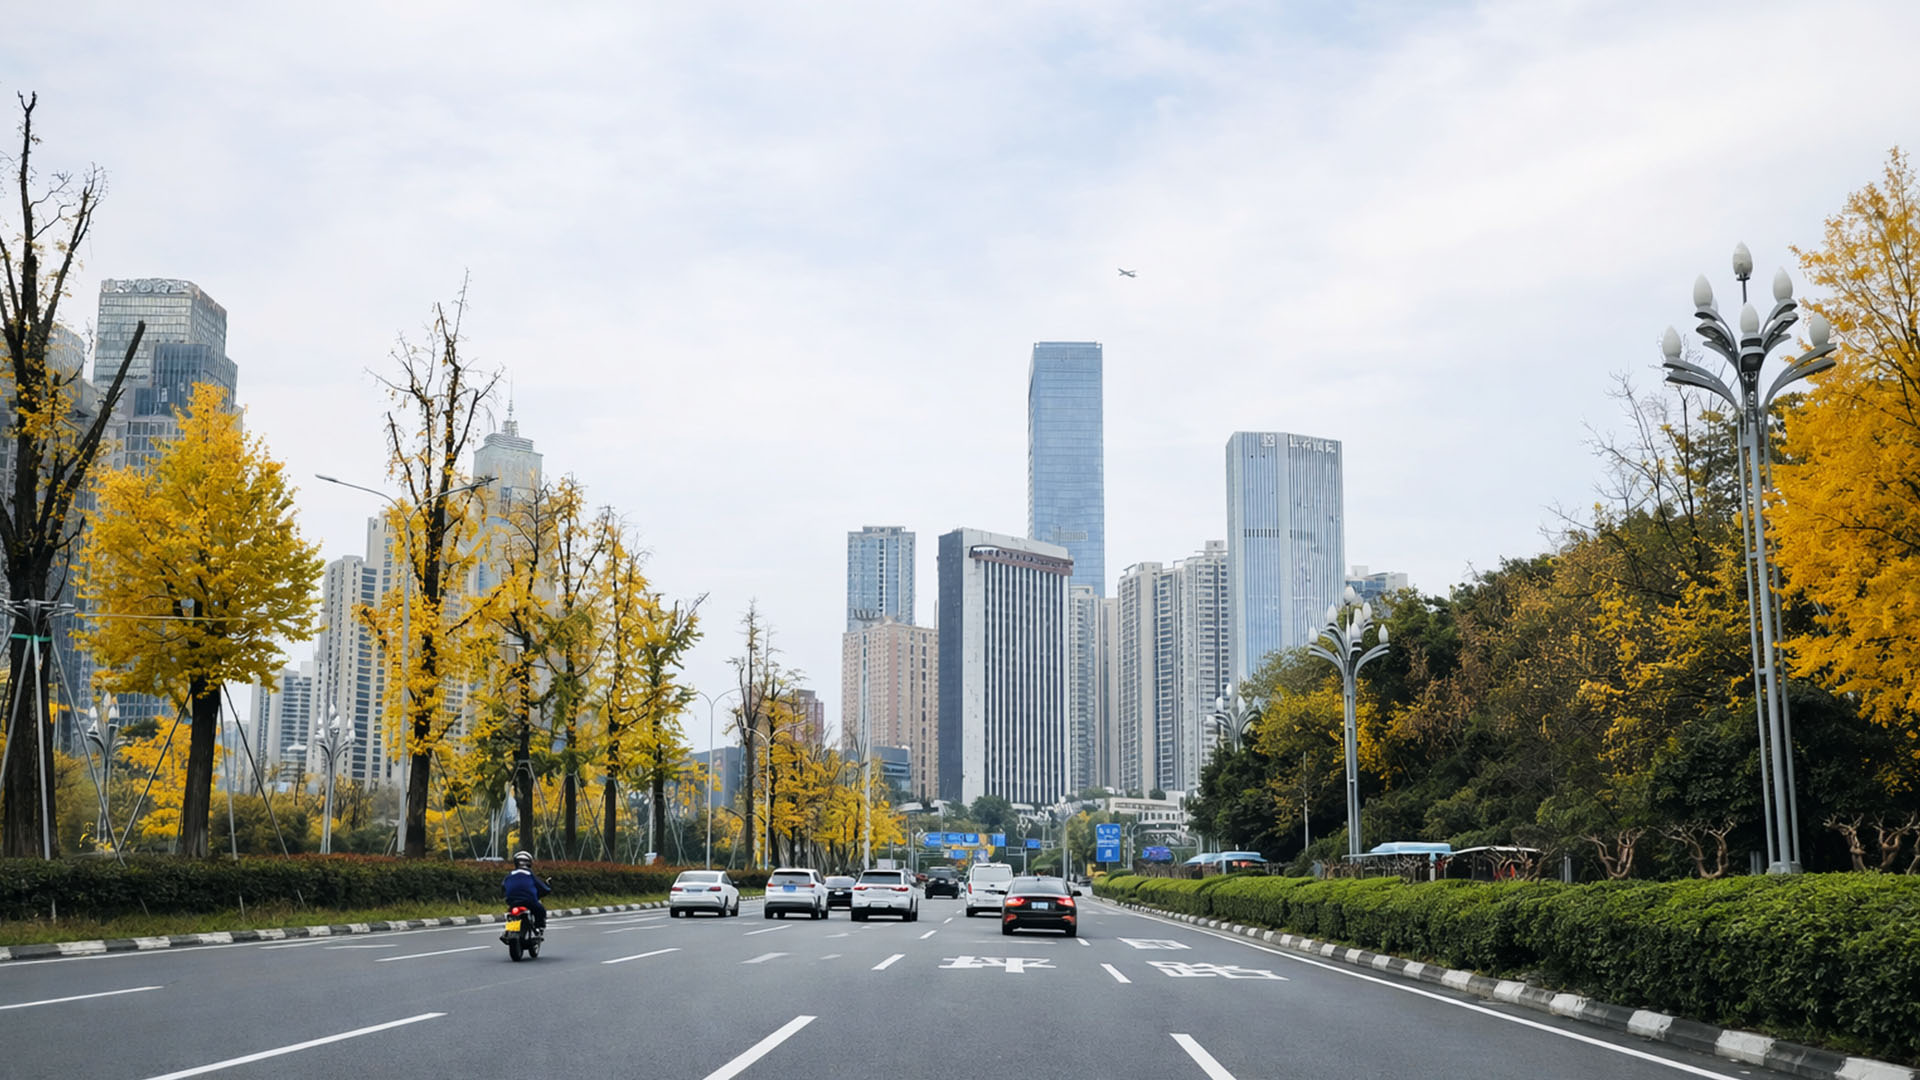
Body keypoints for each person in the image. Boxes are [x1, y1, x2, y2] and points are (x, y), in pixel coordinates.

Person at [503, 851, 552, 932]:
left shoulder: (510, 875)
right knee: (540, 910)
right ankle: (538, 927)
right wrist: (548, 888)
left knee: (510, 914)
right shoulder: (530, 874)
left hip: (512, 901)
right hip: (529, 901)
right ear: (529, 863)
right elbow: (543, 887)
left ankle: (508, 931)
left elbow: (503, 887)